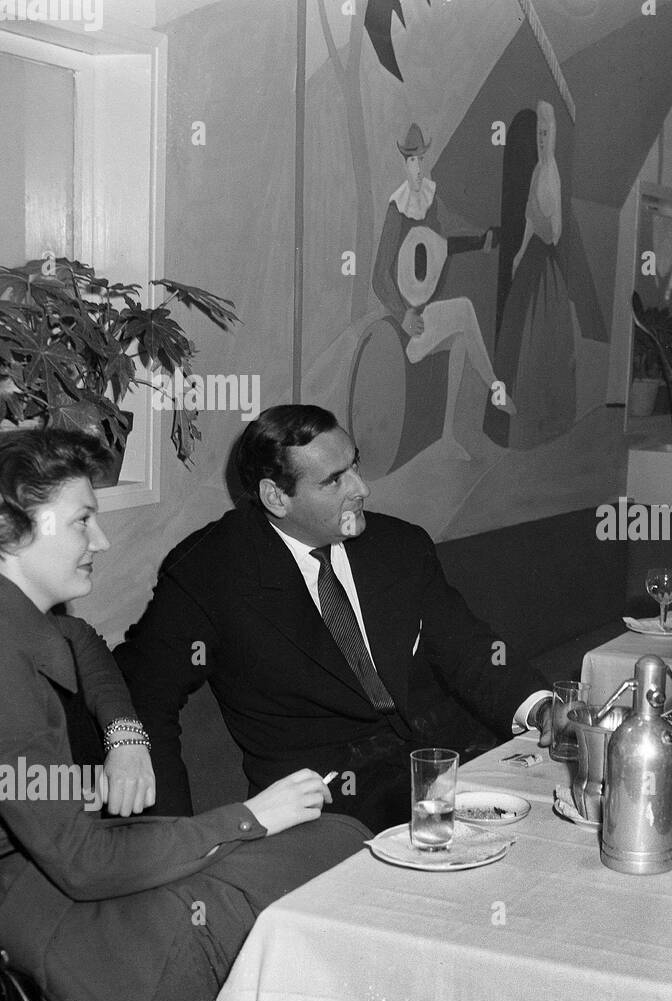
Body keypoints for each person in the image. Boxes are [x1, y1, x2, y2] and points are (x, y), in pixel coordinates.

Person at [0, 428, 368, 1001]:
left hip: (74, 852)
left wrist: (124, 735)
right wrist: (249, 817)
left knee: (334, 840)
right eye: (82, 521)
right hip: (39, 892)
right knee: (273, 883)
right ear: (9, 533)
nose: (103, 540)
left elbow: (85, 646)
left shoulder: (27, 613)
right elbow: (84, 869)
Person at [114, 405, 554, 832]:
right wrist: (172, 841)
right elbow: (144, 692)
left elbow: (468, 647)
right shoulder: (209, 572)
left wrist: (542, 709)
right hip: (330, 797)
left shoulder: (400, 546)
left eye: (355, 465)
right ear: (276, 497)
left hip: (444, 758)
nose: (362, 488)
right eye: (334, 480)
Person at [371, 122, 515, 462]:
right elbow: (379, 276)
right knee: (464, 310)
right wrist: (400, 313)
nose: (418, 169)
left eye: (421, 159)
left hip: (427, 315)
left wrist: (488, 237)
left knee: (464, 339)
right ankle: (496, 387)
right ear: (404, 165)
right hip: (409, 329)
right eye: (411, 162)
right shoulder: (397, 210)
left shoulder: (432, 203)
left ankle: (448, 436)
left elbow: (457, 229)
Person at [483, 100, 577, 450]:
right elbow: (527, 221)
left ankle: (537, 420)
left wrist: (540, 233)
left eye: (546, 132)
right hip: (530, 258)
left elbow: (554, 233)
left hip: (546, 265)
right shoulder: (539, 170)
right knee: (513, 334)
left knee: (537, 343)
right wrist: (519, 255)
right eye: (538, 132)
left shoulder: (551, 173)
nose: (541, 138)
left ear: (553, 136)